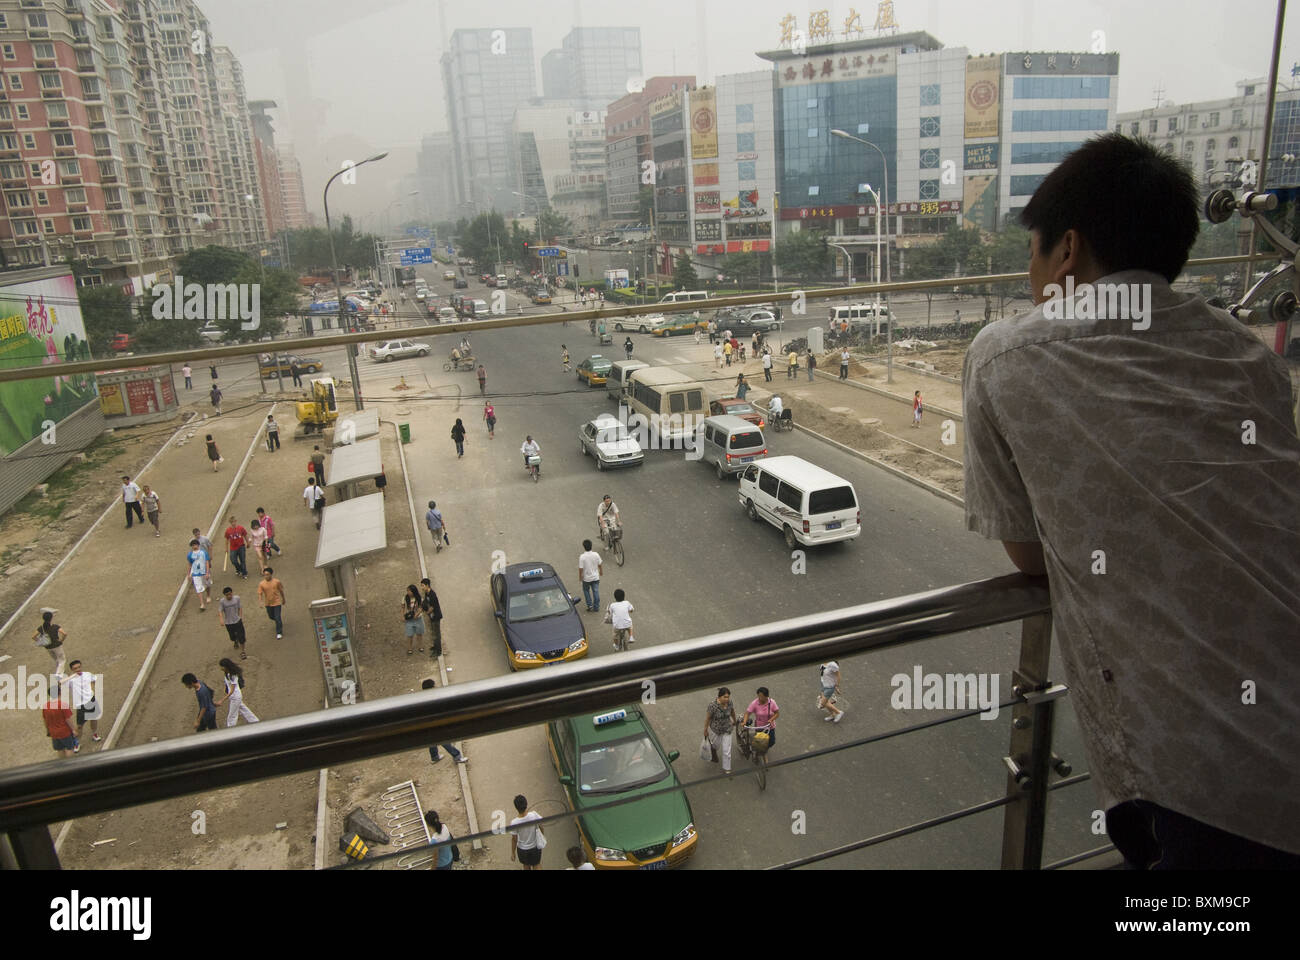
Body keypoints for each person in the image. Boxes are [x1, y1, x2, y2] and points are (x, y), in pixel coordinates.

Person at [963, 133, 1300, 869]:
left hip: (1220, 794)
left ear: (1068, 251)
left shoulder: (1005, 355)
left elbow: (1026, 552)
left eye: (1033, 255)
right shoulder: (1248, 354)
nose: (1028, 279)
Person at [420, 680, 466, 761]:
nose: (436, 687)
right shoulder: (431, 698)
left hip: (426, 725)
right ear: (431, 688)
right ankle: (457, 756)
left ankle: (434, 756)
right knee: (443, 740)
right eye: (434, 686)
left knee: (431, 740)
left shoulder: (422, 698)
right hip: (434, 724)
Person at [63, 660, 102, 748]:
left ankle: (94, 734)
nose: (78, 669)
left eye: (79, 667)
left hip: (91, 700)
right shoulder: (71, 680)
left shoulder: (87, 674)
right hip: (81, 705)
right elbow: (60, 683)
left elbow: (94, 679)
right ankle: (77, 742)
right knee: (80, 726)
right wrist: (71, 676)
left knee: (94, 718)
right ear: (72, 669)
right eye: (75, 668)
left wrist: (92, 690)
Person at [214, 658, 258, 726]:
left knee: (232, 716)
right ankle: (254, 721)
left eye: (222, 666)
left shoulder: (233, 675)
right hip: (235, 697)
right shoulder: (227, 674)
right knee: (243, 709)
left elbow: (232, 691)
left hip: (235, 697)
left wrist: (221, 700)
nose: (221, 668)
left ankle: (231, 728)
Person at [703, 687, 737, 775]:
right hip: (715, 730)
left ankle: (727, 768)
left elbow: (732, 712)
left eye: (728, 697)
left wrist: (734, 720)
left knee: (726, 751)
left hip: (727, 729)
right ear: (719, 697)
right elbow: (708, 718)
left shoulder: (730, 703)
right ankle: (713, 751)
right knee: (715, 746)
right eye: (725, 697)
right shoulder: (712, 705)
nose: (727, 699)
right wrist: (705, 729)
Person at [509, 794, 545, 870]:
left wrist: (513, 852)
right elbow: (541, 827)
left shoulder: (514, 822)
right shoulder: (534, 815)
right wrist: (542, 837)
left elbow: (514, 839)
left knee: (526, 865)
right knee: (537, 864)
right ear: (526, 804)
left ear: (516, 807)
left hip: (522, 850)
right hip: (535, 847)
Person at [744, 686, 780, 752]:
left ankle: (764, 750)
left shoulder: (772, 702)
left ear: (766, 696)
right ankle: (762, 753)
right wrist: (744, 721)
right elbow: (747, 713)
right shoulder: (755, 703)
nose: (760, 698)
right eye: (759, 696)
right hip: (759, 727)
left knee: (771, 742)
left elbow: (777, 713)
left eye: (762, 696)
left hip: (769, 726)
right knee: (760, 743)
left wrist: (771, 719)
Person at [218, 586, 247, 659]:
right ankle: (235, 640)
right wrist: (221, 619)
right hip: (229, 623)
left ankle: (243, 652)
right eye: (227, 595)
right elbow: (220, 611)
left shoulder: (237, 598)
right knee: (232, 637)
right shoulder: (222, 601)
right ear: (225, 595)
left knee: (242, 637)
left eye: (230, 594)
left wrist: (240, 617)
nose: (229, 596)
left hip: (237, 621)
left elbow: (240, 607)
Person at [257, 566, 285, 639]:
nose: (266, 576)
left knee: (277, 617)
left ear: (271, 574)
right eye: (265, 575)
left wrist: (283, 599)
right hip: (268, 603)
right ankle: (278, 622)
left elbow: (281, 590)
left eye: (267, 574)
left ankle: (279, 632)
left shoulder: (277, 582)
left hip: (277, 602)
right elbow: (260, 593)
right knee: (271, 616)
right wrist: (260, 602)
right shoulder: (261, 584)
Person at [420, 579, 445, 658]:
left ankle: (438, 651)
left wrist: (426, 613)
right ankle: (435, 646)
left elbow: (432, 607)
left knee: (437, 634)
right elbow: (426, 602)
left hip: (436, 616)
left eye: (423, 585)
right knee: (433, 633)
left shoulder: (432, 595)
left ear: (427, 585)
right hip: (432, 616)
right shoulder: (427, 593)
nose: (422, 587)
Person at [577, 539, 602, 612]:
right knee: (596, 591)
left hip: (586, 578)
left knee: (586, 590)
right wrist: (601, 572)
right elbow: (600, 564)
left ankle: (590, 605)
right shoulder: (596, 554)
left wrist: (580, 577)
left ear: (584, 547)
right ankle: (596, 607)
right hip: (595, 577)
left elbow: (580, 568)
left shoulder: (582, 557)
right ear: (591, 546)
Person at [187, 539, 211, 611]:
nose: (194, 546)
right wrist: (189, 574)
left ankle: (208, 595)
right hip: (195, 573)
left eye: (195, 545)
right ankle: (202, 604)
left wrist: (207, 572)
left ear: (198, 545)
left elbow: (206, 562)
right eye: (193, 545)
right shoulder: (190, 555)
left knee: (207, 584)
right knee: (198, 588)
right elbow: (189, 564)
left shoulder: (203, 553)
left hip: (203, 572)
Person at [224, 515, 249, 579]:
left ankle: (244, 573)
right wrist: (226, 548)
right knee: (233, 560)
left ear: (236, 521)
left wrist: (248, 542)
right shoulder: (228, 530)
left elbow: (245, 535)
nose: (233, 523)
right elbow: (226, 540)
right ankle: (239, 569)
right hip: (233, 548)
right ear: (230, 522)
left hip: (241, 546)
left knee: (242, 560)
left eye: (234, 521)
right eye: (232, 522)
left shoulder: (241, 528)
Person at [403, 584, 425, 655]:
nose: (408, 592)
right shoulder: (405, 598)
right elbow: (403, 607)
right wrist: (403, 616)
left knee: (419, 634)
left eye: (409, 591)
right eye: (407, 591)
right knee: (409, 635)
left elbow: (422, 607)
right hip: (409, 619)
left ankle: (420, 646)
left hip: (418, 619)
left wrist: (417, 614)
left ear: (413, 591)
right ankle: (409, 648)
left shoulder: (419, 598)